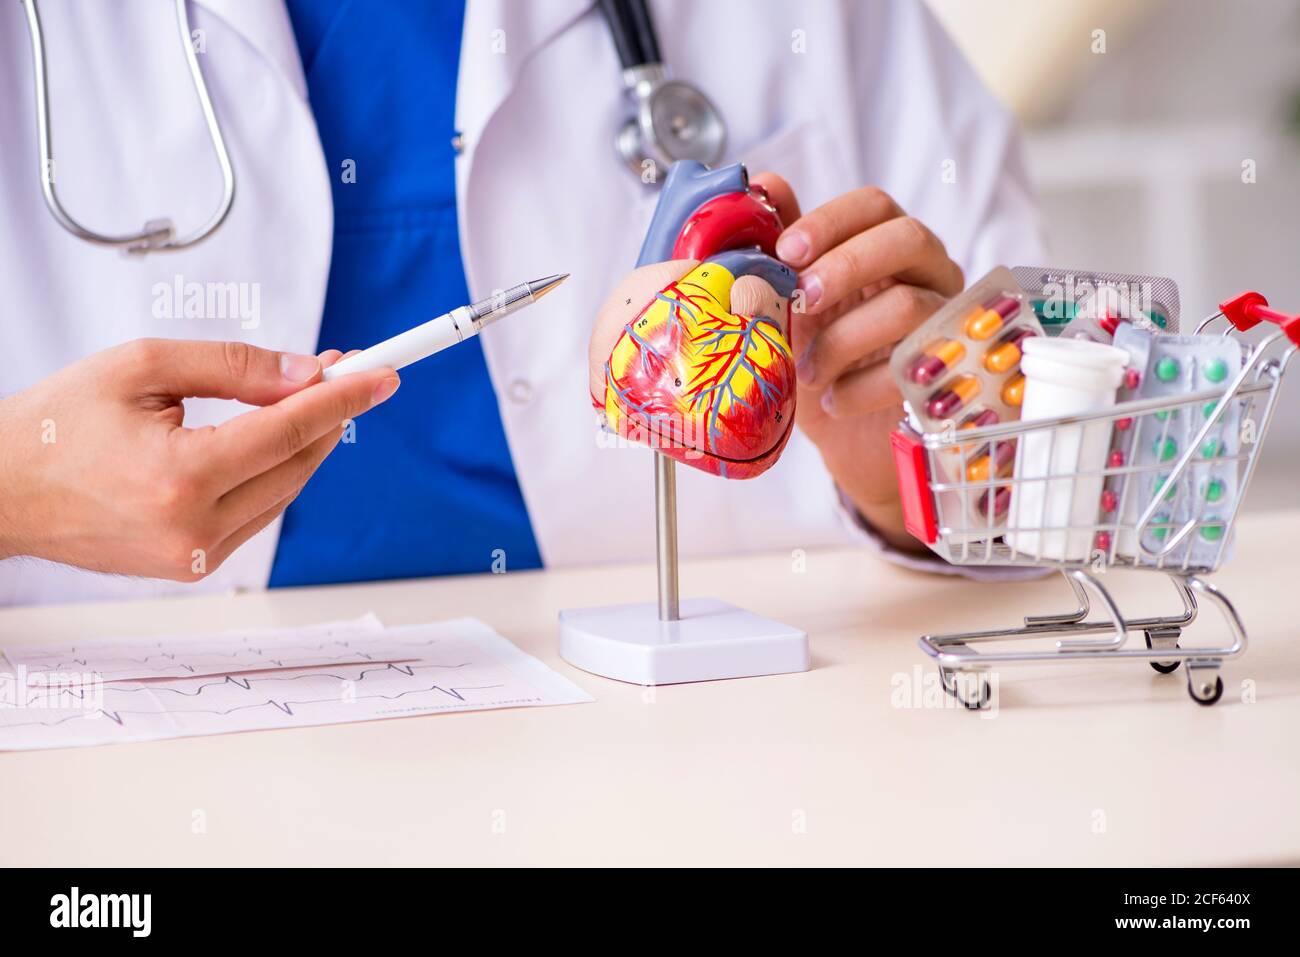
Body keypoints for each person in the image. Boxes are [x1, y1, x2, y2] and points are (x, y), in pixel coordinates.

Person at [0, 0, 1045, 606]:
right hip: (133, 769)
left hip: (708, 759)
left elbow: (1039, 450)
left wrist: (909, 473)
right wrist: (18, 493)